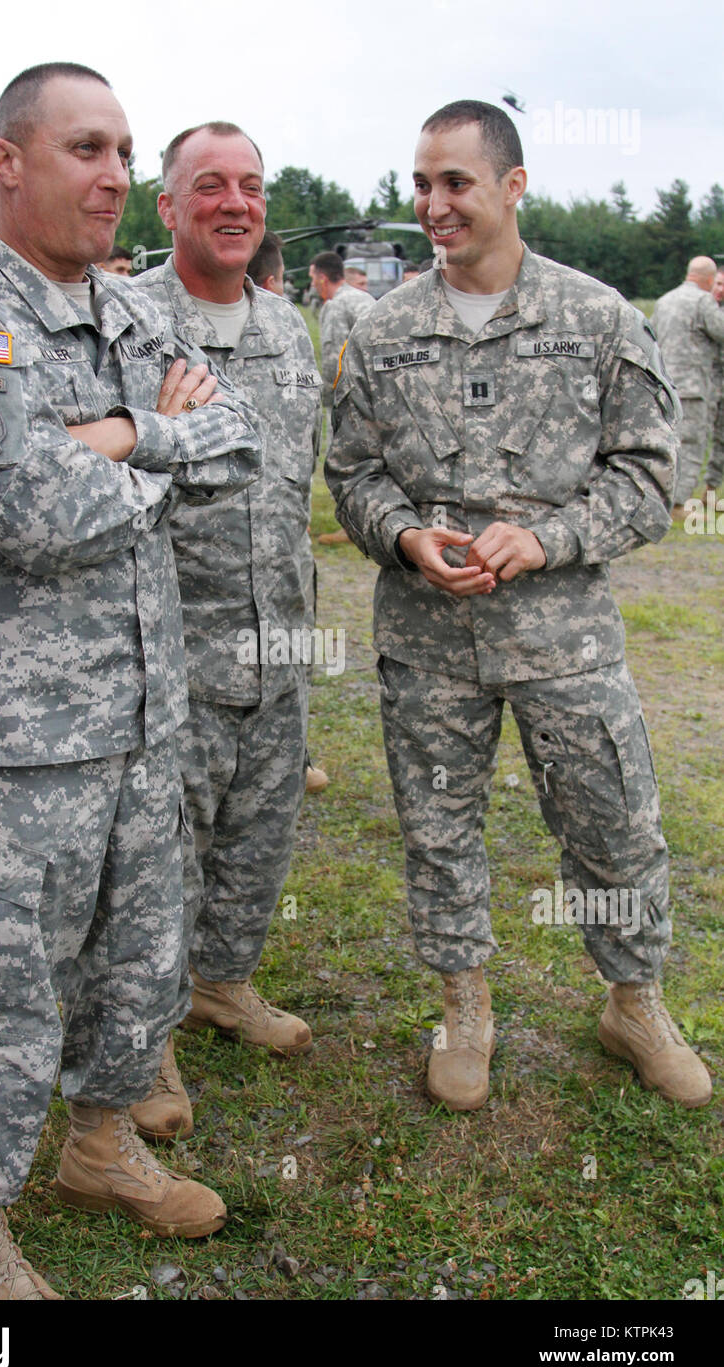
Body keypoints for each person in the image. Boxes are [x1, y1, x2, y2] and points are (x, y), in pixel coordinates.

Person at [0, 62, 262, 1300]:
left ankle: (100, 1145)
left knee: (139, 960)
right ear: (7, 161)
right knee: (0, 996)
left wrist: (109, 437)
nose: (115, 178)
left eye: (126, 153)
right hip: (8, 739)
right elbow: (33, 511)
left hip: (140, 711)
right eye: (86, 149)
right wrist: (145, 436)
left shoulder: (128, 310)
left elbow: (231, 435)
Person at [325, 99, 711, 1114]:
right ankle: (463, 1007)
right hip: (426, 638)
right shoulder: (384, 328)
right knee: (437, 827)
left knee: (611, 825)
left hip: (563, 636)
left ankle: (632, 1000)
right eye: (420, 183)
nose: (432, 204)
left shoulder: (594, 318)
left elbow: (648, 476)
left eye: (454, 182)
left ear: (511, 185)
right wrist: (403, 536)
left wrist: (545, 538)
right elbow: (353, 473)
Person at [132, 120, 320, 1142]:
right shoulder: (125, 322)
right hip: (170, 652)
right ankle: (145, 1031)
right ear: (167, 207)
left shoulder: (288, 329)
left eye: (249, 185)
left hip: (279, 641)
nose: (234, 203)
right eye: (209, 186)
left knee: (258, 834)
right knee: (162, 854)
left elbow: (297, 483)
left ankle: (224, 983)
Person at [248, 231, 329, 795]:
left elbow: (309, 452)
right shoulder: (144, 319)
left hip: (287, 592)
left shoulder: (289, 328)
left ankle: (296, 754)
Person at [310, 251, 374, 544]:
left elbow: (335, 360)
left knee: (347, 462)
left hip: (353, 395)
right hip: (381, 391)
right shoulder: (363, 298)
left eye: (312, 279)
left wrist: (326, 399)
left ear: (322, 279)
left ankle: (351, 526)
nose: (312, 285)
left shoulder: (336, 306)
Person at [652, 255, 724, 516]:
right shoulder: (703, 300)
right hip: (695, 385)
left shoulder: (664, 300)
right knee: (692, 444)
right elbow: (720, 331)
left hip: (665, 383)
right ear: (708, 280)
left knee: (668, 443)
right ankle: (679, 503)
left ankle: (661, 496)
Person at [703, 267, 724, 500]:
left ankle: (710, 492)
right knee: (696, 438)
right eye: (717, 284)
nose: (720, 290)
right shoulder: (703, 309)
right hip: (705, 382)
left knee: (721, 440)